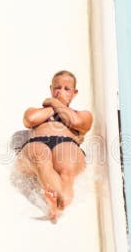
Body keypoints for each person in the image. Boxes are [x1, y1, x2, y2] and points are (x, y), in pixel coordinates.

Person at [16, 70, 92, 222]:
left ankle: (56, 202)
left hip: (66, 143)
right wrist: (56, 105)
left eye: (66, 89)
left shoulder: (83, 114)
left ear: (74, 93)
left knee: (67, 167)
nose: (60, 92)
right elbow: (30, 119)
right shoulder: (35, 111)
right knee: (40, 158)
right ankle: (59, 200)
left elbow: (75, 122)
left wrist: (54, 102)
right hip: (38, 143)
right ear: (51, 89)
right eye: (57, 88)